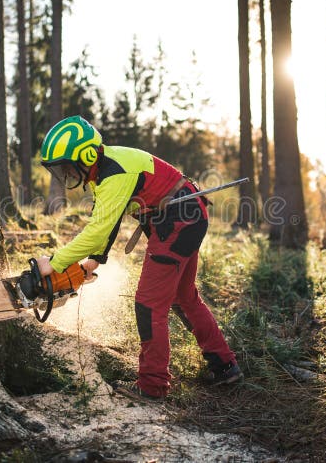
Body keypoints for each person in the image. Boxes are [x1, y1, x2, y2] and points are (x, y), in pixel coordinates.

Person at [36, 115, 242, 400]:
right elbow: (108, 219)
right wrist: (95, 260)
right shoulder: (103, 170)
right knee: (183, 296)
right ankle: (225, 366)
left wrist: (55, 263)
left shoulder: (114, 172)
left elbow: (97, 230)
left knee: (148, 303)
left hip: (179, 220)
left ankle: (153, 385)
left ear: (85, 155)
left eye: (67, 167)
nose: (67, 174)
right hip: (187, 217)